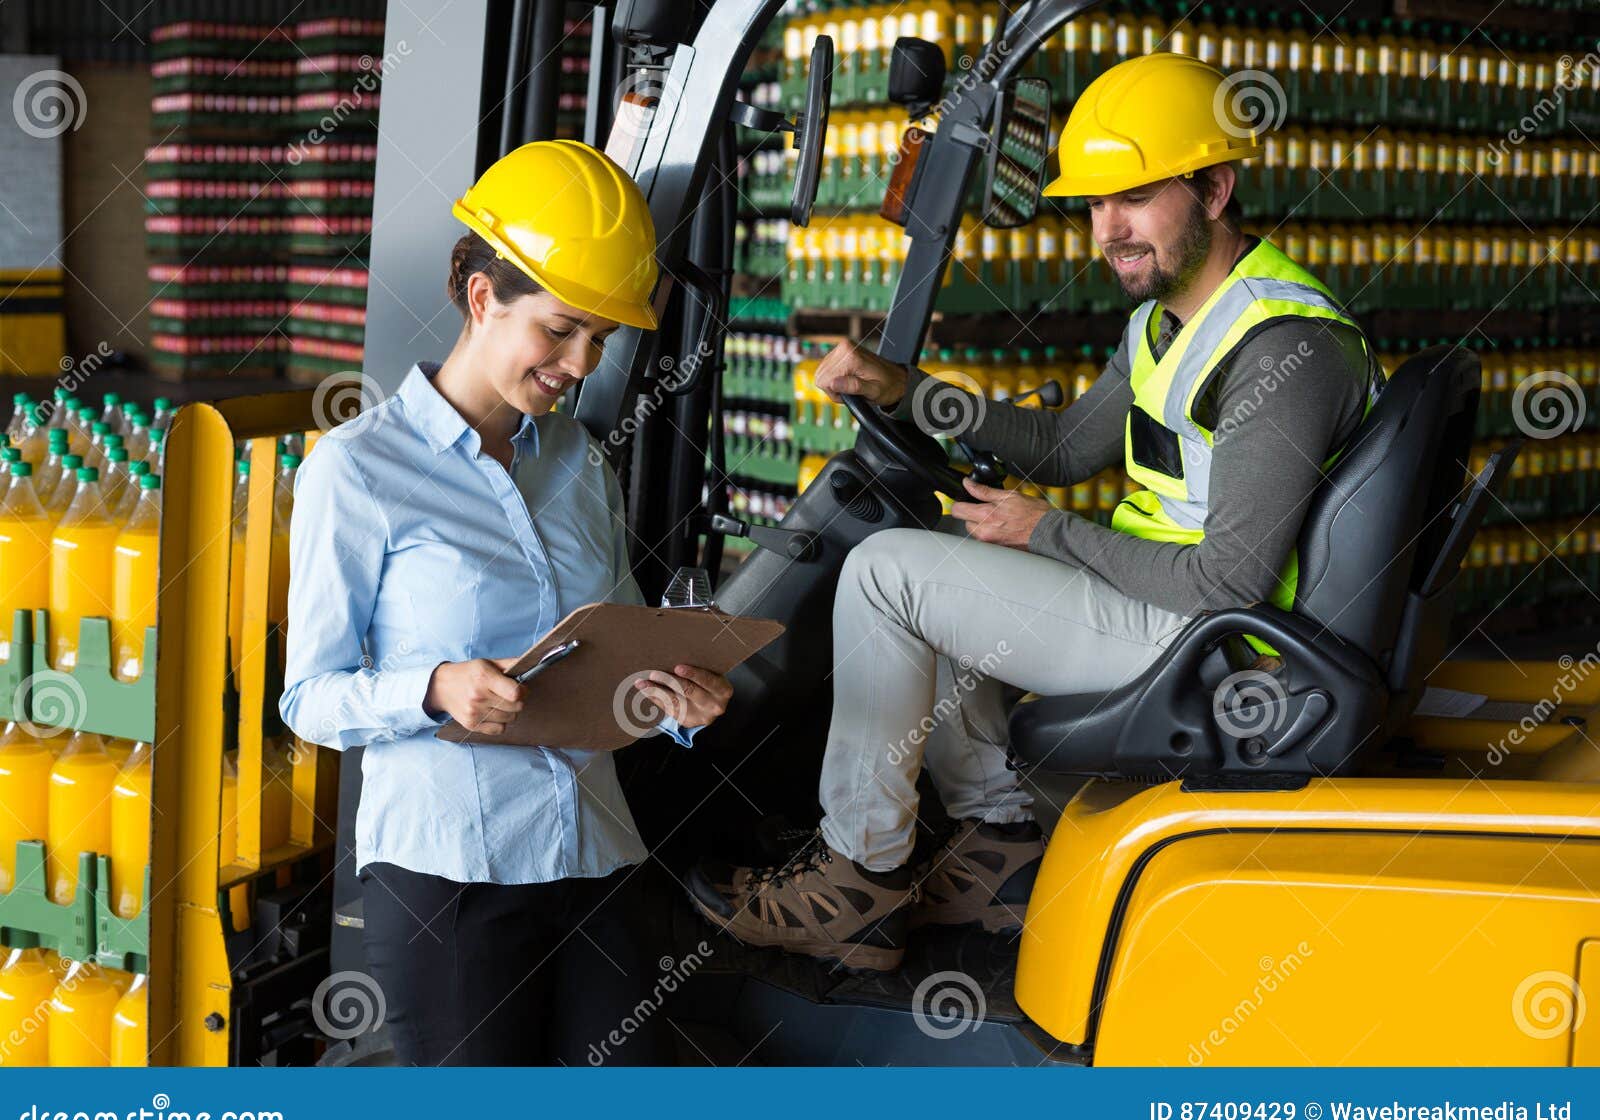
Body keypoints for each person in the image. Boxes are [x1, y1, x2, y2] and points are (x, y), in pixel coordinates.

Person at [687, 53, 1384, 973]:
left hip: (1227, 645)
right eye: (1094, 204)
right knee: (930, 555)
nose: (1109, 230)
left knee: (885, 572)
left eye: (1133, 197)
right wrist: (909, 391)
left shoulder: (1281, 349)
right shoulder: (1165, 324)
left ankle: (859, 878)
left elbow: (1228, 580)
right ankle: (1000, 848)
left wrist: (1042, 529)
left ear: (1215, 188)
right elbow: (1062, 448)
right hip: (1179, 613)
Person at [280, 140, 733, 1063]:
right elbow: (309, 699)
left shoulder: (578, 463)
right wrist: (436, 686)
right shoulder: (359, 470)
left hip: (593, 855)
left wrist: (676, 698)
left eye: (600, 340)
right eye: (561, 329)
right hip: (453, 882)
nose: (580, 361)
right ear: (483, 298)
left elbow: (614, 650)